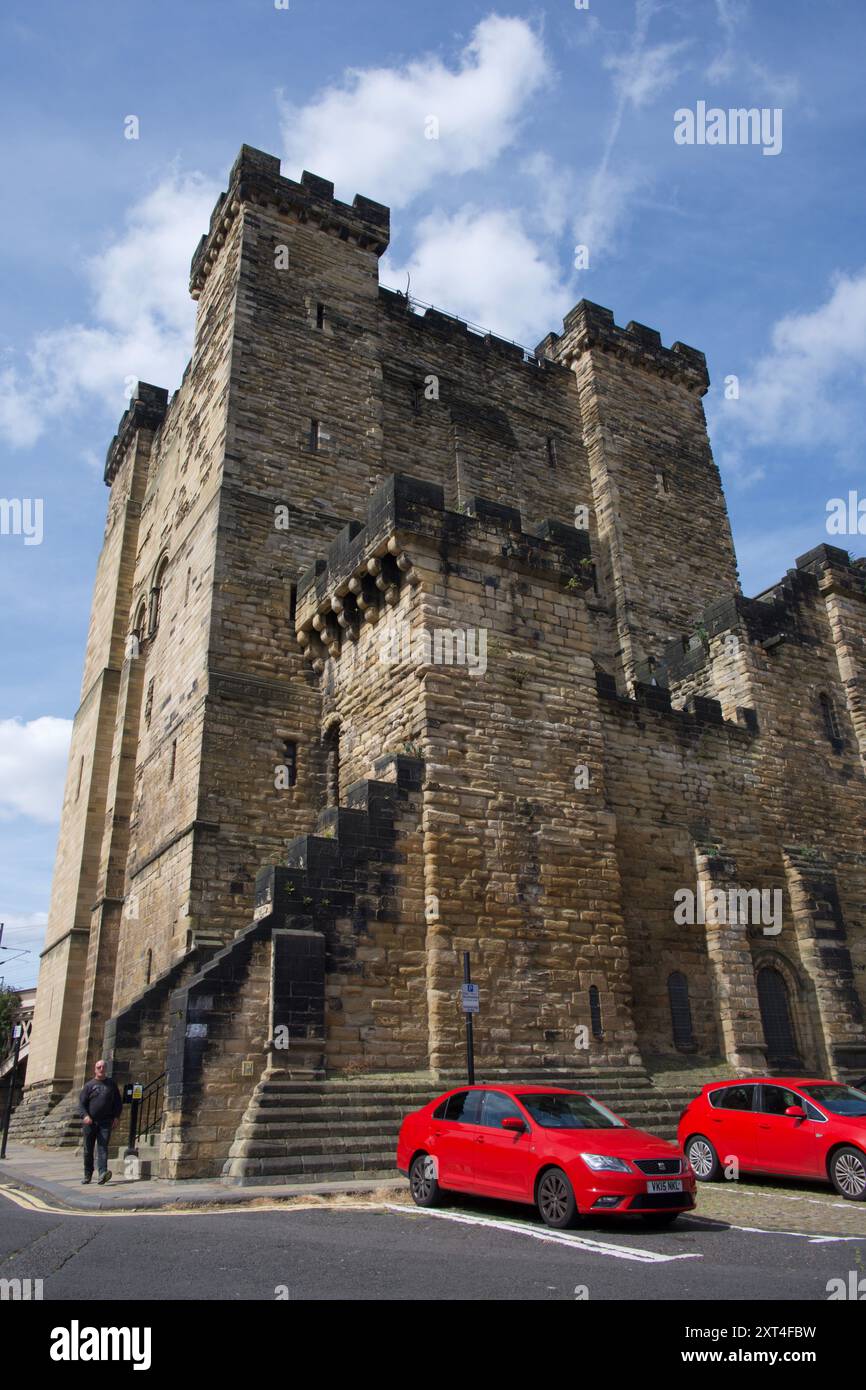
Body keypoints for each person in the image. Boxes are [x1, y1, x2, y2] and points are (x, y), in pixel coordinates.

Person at [78, 1059, 123, 1185]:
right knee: (88, 1150)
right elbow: (81, 1104)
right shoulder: (89, 1085)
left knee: (102, 1147)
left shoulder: (111, 1085)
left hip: (105, 1122)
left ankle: (102, 1173)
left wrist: (116, 1117)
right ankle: (88, 1175)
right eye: (99, 1067)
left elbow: (118, 1103)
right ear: (95, 1069)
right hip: (90, 1123)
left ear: (106, 1069)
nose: (101, 1069)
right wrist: (85, 1116)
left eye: (103, 1067)